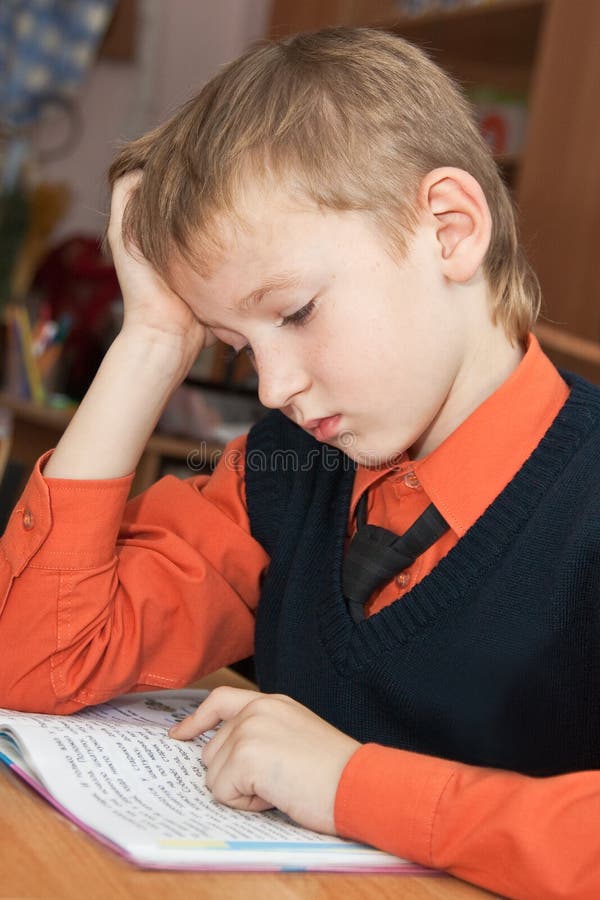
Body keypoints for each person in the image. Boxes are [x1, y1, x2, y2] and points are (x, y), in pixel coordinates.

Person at [1, 26, 599, 899]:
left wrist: (350, 784)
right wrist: (152, 343)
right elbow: (36, 659)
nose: (274, 386)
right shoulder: (282, 470)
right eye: (237, 346)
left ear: (447, 230)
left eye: (296, 311)